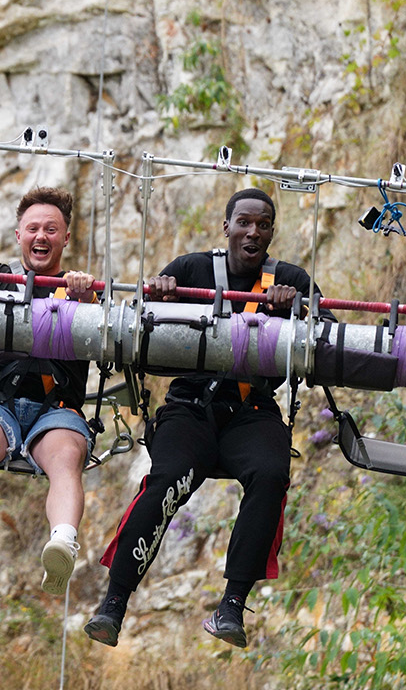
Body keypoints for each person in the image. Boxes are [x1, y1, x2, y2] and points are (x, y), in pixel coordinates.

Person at [84, 187, 326, 648]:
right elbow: (141, 319)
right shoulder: (191, 270)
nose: (253, 232)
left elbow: (326, 329)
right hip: (189, 406)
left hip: (252, 409)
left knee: (272, 473)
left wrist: (297, 307)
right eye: (245, 222)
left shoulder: (290, 278)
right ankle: (115, 601)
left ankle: (232, 604)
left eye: (263, 225)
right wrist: (164, 296)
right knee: (168, 477)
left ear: (272, 233)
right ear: (227, 227)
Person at [0, 187, 96, 596]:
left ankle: (62, 541)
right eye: (33, 229)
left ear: (65, 238)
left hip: (56, 407)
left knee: (66, 455)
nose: (41, 237)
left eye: (51, 229)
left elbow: (102, 325)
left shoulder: (78, 290)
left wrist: (86, 294)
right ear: (18, 234)